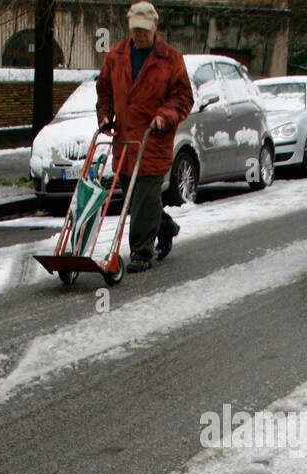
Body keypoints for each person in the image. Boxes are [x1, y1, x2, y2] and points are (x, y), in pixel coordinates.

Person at [95, 2, 193, 273]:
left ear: (154, 27)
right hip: (125, 140)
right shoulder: (116, 55)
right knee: (135, 199)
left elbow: (183, 97)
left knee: (143, 199)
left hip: (153, 139)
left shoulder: (170, 58)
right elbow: (104, 89)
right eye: (135, 30)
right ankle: (166, 227)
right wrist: (104, 114)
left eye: (144, 30)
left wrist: (165, 115)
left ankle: (141, 251)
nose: (139, 35)